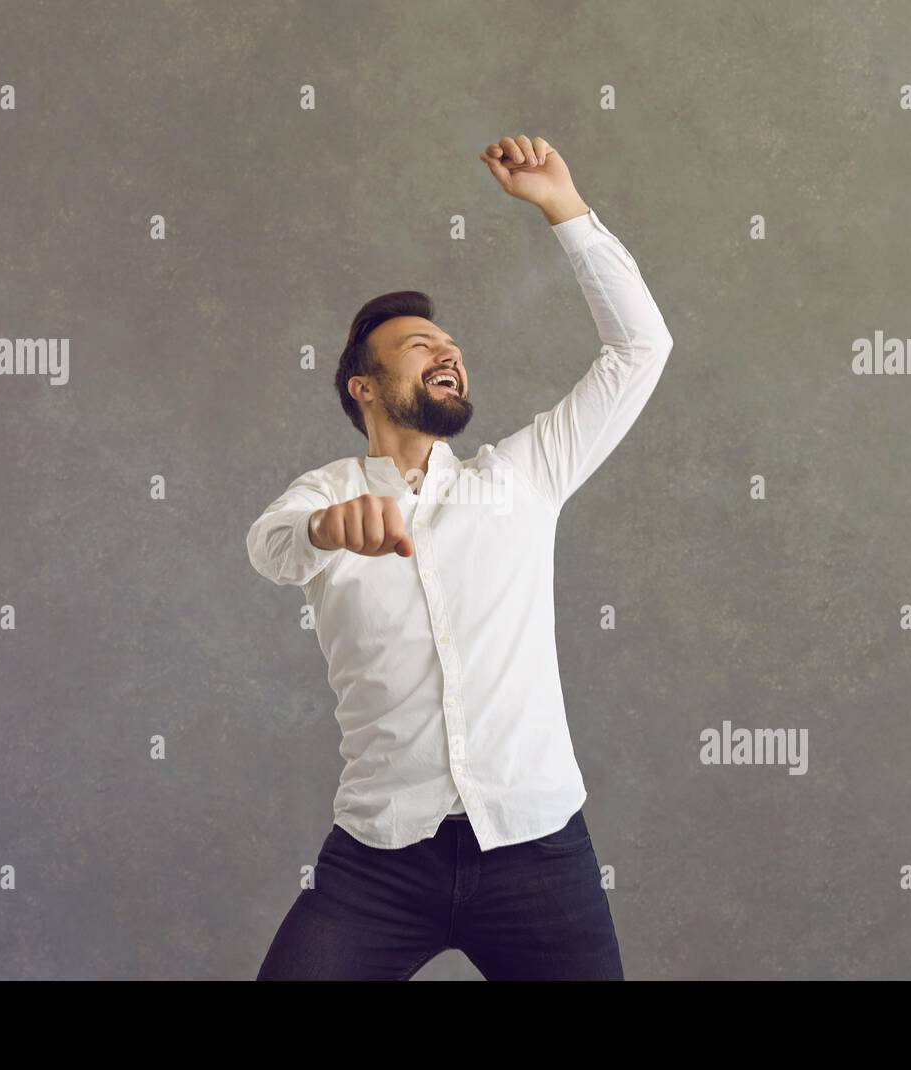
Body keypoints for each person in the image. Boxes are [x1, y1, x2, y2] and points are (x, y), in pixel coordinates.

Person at [247, 134, 673, 980]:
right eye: (418, 346)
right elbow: (272, 549)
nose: (448, 353)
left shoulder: (525, 476)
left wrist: (566, 208)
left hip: (538, 851)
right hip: (379, 858)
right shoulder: (323, 493)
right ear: (362, 387)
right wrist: (330, 531)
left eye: (452, 347)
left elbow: (640, 351)